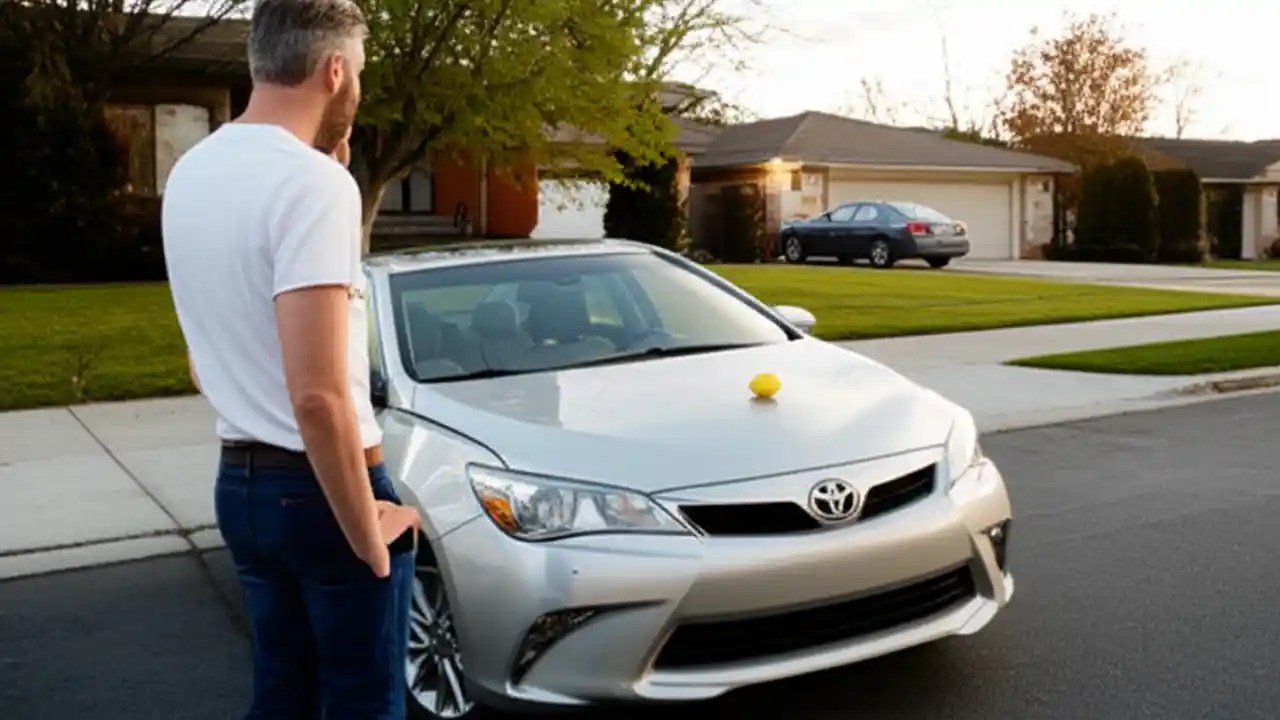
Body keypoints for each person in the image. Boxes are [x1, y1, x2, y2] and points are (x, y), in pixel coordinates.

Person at [161, 0, 420, 717]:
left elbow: (204, 362)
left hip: (240, 487)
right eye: (359, 75)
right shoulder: (313, 186)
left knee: (283, 695)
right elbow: (318, 395)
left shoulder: (191, 173)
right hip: (323, 489)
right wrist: (368, 532)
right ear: (334, 71)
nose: (359, 91)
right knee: (364, 702)